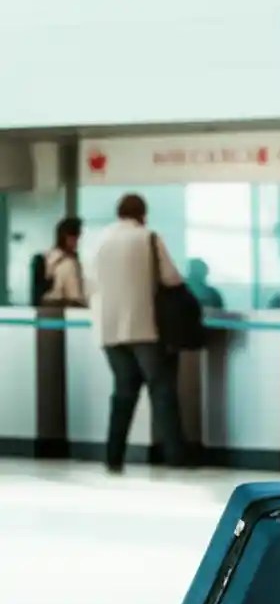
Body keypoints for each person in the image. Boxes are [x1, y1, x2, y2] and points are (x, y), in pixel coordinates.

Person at [87, 194, 188, 472]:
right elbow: (171, 277)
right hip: (144, 327)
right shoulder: (148, 237)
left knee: (123, 392)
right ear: (143, 213)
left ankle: (114, 457)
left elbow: (90, 283)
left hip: (108, 330)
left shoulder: (100, 240)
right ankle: (175, 456)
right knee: (162, 390)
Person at [37, 217, 87, 307]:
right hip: (64, 312)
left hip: (44, 311)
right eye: (77, 237)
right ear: (68, 237)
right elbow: (74, 296)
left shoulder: (47, 257)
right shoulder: (68, 263)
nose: (77, 242)